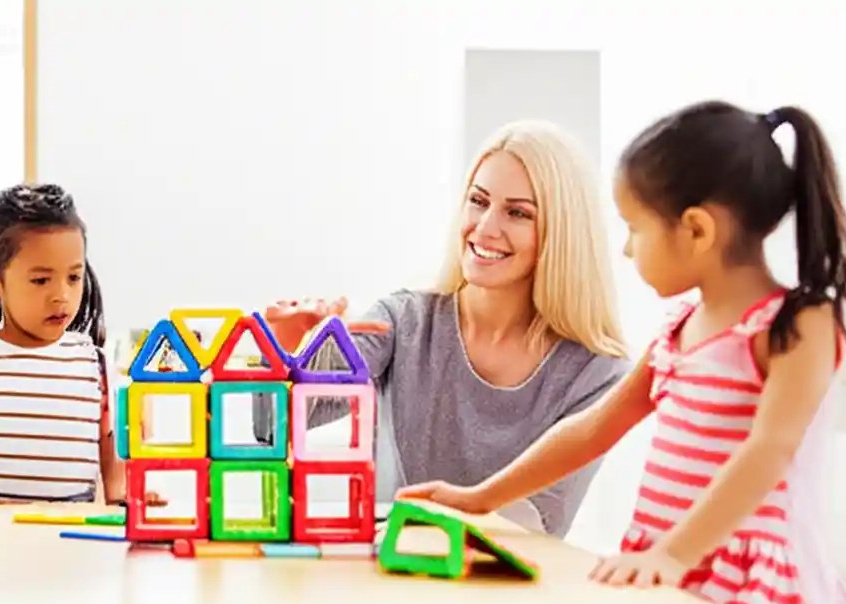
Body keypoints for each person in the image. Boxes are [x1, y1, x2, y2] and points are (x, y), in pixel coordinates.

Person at [399, 101, 846, 604]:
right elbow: (594, 429)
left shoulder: (796, 324)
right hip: (665, 564)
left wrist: (675, 554)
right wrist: (481, 495)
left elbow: (771, 449)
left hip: (740, 577)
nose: (627, 251)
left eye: (635, 228)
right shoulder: (678, 330)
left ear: (697, 230)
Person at [266, 119, 629, 538]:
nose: (486, 227)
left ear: (562, 232)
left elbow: (535, 523)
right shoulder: (401, 322)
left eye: (517, 213)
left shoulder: (597, 372)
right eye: (478, 200)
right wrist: (285, 350)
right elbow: (274, 428)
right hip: (391, 584)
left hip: (508, 593)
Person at [0, 183, 126, 506]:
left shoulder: (94, 365)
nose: (62, 295)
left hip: (69, 537)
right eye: (41, 280)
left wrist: (125, 500)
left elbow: (111, 454)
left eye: (74, 277)